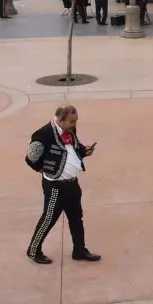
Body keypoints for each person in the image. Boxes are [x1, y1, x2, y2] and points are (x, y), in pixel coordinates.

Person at [24, 106, 100, 264]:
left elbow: (73, 148)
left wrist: (84, 151)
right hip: (55, 187)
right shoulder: (43, 134)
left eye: (76, 120)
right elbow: (30, 158)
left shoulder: (70, 130)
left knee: (76, 219)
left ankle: (79, 250)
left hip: (72, 184)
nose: (75, 124)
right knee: (48, 219)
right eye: (72, 121)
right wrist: (44, 171)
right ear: (61, 120)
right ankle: (33, 250)